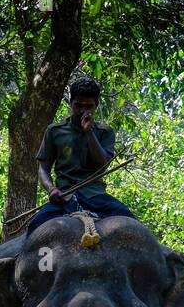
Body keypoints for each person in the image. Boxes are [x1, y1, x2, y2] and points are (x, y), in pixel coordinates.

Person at [29, 76, 135, 235]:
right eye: (78, 105)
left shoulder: (105, 132)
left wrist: (89, 132)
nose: (82, 111)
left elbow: (103, 165)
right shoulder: (54, 131)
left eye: (89, 106)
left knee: (132, 224)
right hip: (64, 197)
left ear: (96, 106)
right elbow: (43, 168)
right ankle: (16, 260)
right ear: (70, 103)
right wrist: (51, 189)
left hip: (96, 196)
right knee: (35, 225)